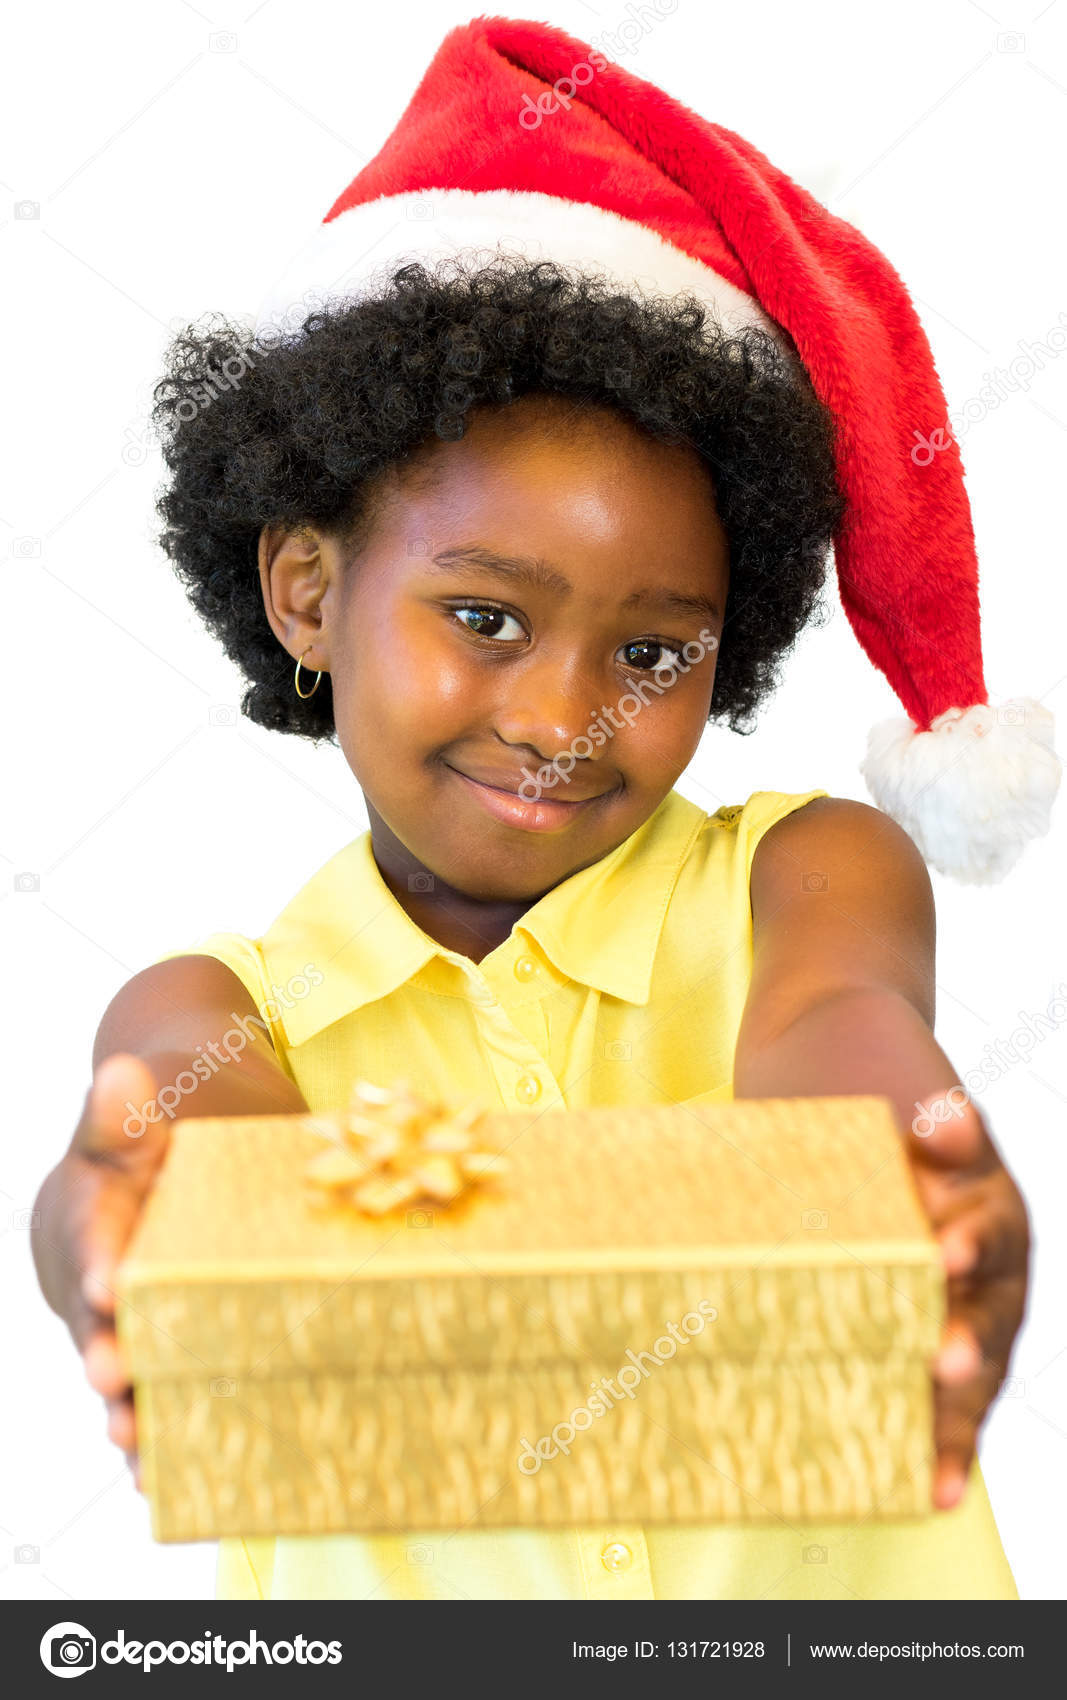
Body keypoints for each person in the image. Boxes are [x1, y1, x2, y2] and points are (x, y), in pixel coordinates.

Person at [33, 14, 1054, 1601]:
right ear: (306, 591)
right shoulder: (230, 1011)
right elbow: (171, 1163)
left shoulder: (805, 873)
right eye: (488, 619)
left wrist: (897, 1152)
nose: (565, 719)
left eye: (653, 651)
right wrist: (131, 1228)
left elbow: (837, 1030)